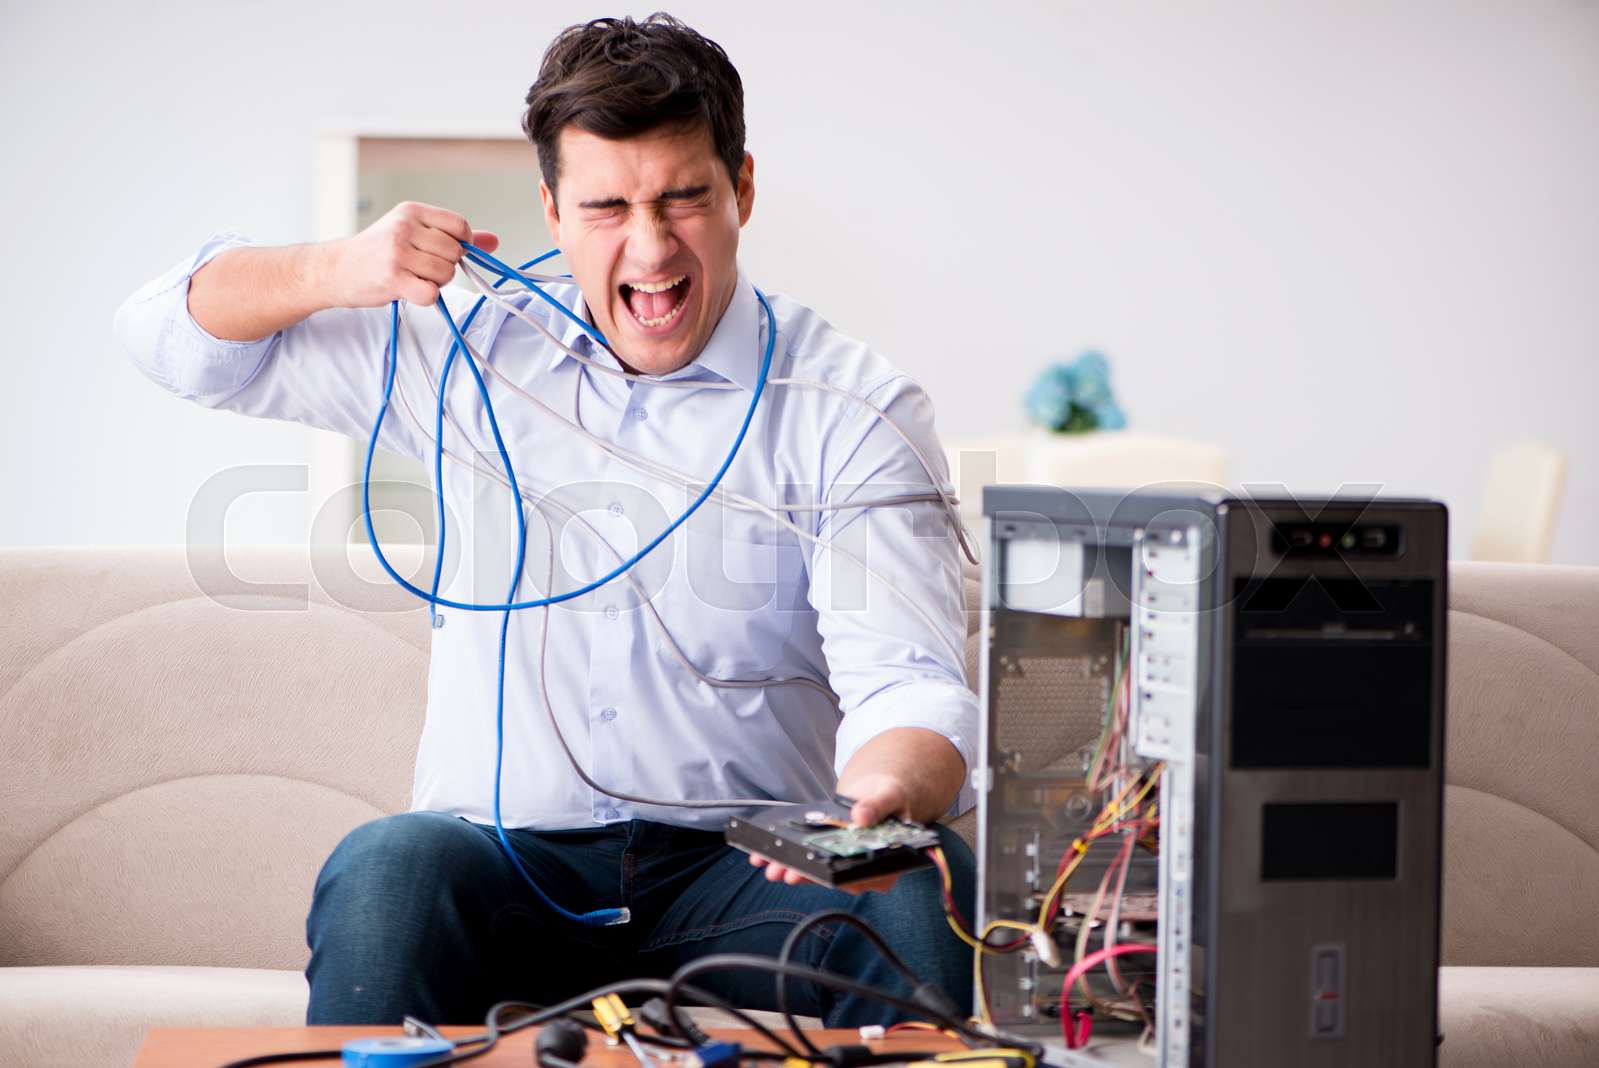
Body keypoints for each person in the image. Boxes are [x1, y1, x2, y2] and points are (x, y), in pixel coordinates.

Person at [115, 12, 976, 1028]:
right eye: (607, 206)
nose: (650, 249)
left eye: (684, 198)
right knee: (389, 865)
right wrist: (335, 270)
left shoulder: (853, 406)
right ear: (552, 210)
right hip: (504, 866)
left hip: (743, 879)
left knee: (915, 882)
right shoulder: (466, 349)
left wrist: (879, 794)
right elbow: (164, 338)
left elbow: (909, 682)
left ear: (742, 187)